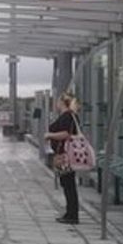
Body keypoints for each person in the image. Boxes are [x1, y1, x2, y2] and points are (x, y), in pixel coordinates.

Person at [45, 92, 81, 224]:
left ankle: (72, 214)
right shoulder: (70, 116)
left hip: (65, 154)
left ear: (62, 102)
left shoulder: (68, 116)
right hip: (65, 154)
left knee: (68, 183)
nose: (56, 104)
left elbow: (66, 134)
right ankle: (70, 212)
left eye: (58, 101)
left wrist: (50, 135)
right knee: (67, 183)